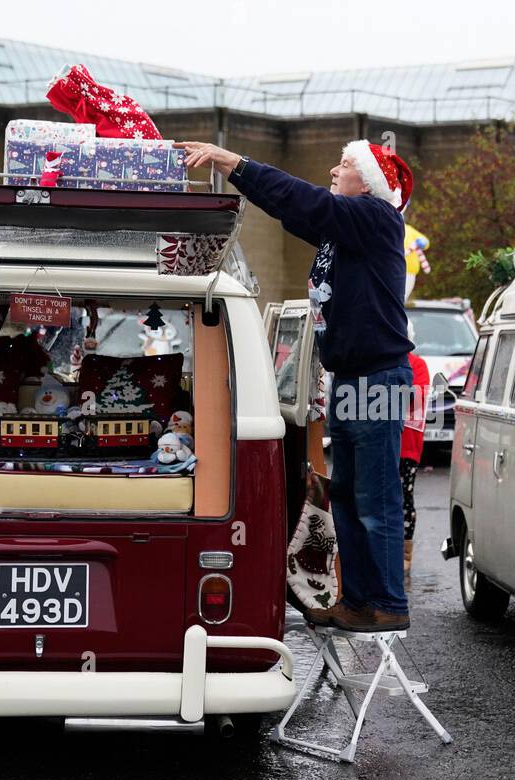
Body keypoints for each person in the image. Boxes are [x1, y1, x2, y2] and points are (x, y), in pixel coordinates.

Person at [175, 138, 415, 632]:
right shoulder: (344, 229)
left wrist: (232, 161)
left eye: (344, 163)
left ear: (369, 183)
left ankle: (388, 603)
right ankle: (359, 599)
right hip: (351, 376)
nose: (333, 168)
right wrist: (241, 179)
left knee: (376, 495)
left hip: (379, 376)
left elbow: (304, 199)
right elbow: (290, 206)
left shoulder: (376, 218)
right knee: (346, 491)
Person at [400, 319, 431, 584]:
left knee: (403, 497)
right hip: (381, 440)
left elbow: (413, 396)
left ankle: (404, 555)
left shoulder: (418, 364)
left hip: (407, 443)